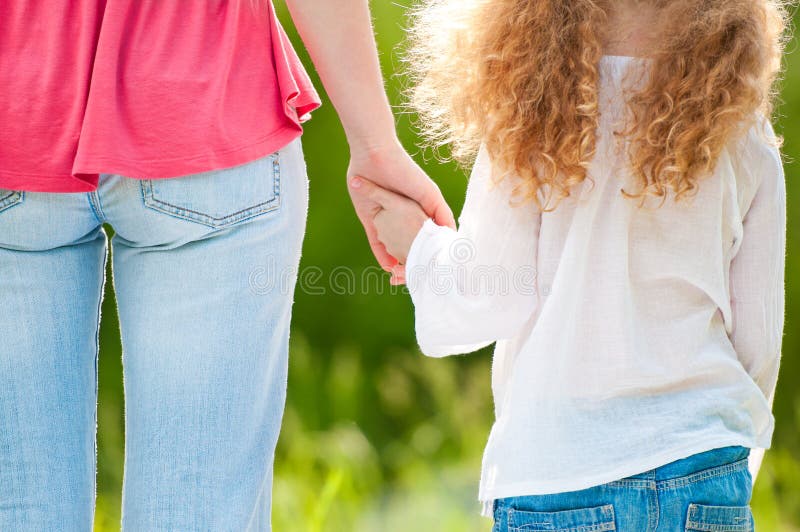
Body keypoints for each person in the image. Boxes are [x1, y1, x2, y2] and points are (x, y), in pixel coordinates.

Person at [0, 1, 452, 531]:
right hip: (203, 108)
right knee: (200, 512)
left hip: (18, 113)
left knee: (19, 509)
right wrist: (376, 146)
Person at [350, 0, 789, 530]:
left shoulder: (531, 108)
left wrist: (419, 243)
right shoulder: (742, 128)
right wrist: (726, 454)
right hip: (706, 463)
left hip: (562, 471)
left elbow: (489, 296)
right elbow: (759, 344)